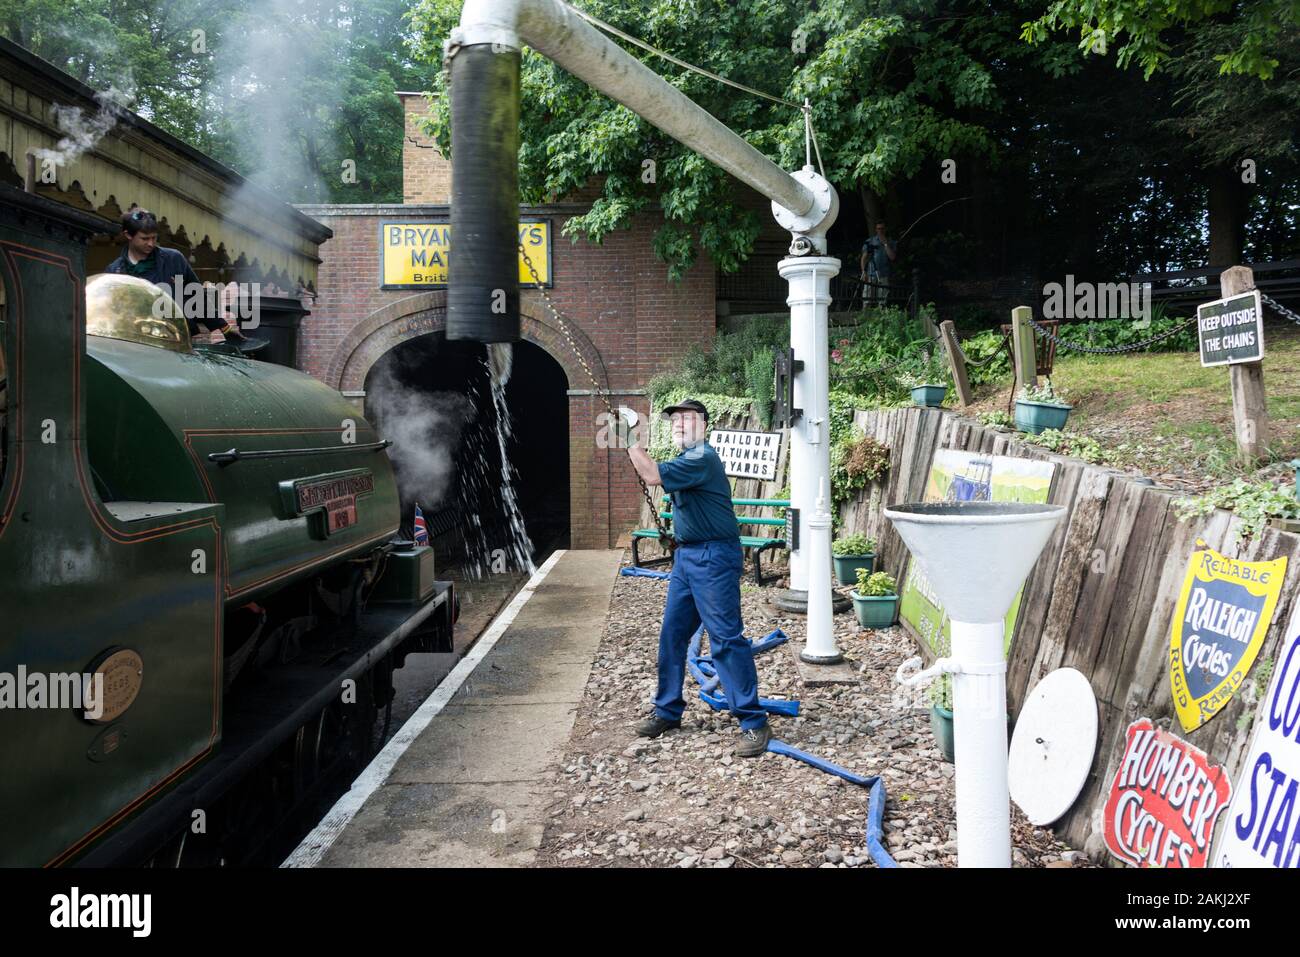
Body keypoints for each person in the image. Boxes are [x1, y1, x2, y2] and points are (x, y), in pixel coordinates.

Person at [624, 398, 771, 758]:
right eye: (674, 419)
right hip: (688, 559)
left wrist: (629, 440)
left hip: (714, 557)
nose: (678, 423)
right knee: (673, 636)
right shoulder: (686, 459)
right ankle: (667, 711)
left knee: (725, 638)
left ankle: (754, 723)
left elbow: (652, 475)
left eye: (687, 418)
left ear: (703, 425)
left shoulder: (702, 457)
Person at [104, 207, 245, 342]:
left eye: (154, 238)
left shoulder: (173, 259)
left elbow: (197, 297)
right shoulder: (115, 271)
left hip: (178, 339)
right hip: (135, 341)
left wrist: (223, 328)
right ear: (128, 235)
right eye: (145, 239)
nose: (151, 243)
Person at [859, 220, 898, 304]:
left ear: (885, 229)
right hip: (870, 273)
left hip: (884, 274)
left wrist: (886, 244)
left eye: (882, 228)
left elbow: (892, 257)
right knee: (867, 298)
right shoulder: (870, 241)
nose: (880, 231)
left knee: (882, 300)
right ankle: (865, 315)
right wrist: (863, 271)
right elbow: (864, 258)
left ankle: (881, 315)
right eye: (878, 229)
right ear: (876, 230)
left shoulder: (890, 242)